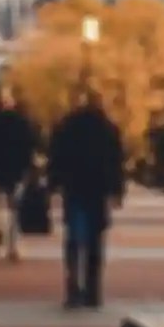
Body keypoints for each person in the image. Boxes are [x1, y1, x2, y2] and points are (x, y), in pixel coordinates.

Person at [47, 88, 124, 309]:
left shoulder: (67, 126)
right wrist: (117, 190)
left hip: (74, 188)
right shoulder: (108, 128)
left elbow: (56, 156)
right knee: (95, 242)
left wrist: (53, 184)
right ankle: (93, 291)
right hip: (97, 191)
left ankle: (73, 288)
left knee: (74, 238)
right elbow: (115, 161)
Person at [0, 87, 37, 261]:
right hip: (18, 168)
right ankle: (12, 245)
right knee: (14, 207)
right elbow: (32, 145)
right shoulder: (25, 123)